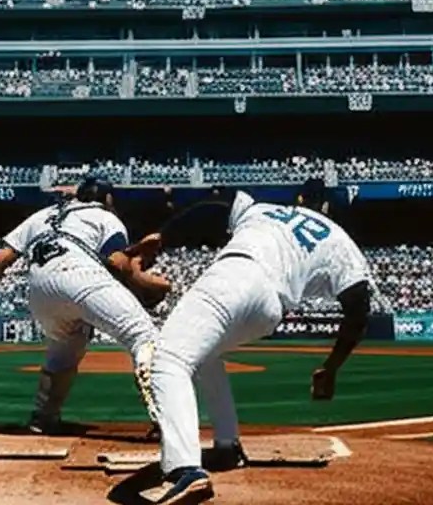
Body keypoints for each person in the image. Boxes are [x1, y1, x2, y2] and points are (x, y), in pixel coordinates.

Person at [144, 178, 373, 505]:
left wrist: (162, 234)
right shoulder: (340, 239)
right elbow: (358, 308)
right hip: (270, 309)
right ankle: (227, 446)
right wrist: (331, 367)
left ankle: (184, 470)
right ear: (328, 209)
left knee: (168, 358)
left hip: (238, 275)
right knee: (203, 355)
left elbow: (215, 203)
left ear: (299, 199)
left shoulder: (267, 209)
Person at [0, 176, 170, 434]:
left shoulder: (41, 215)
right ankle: (165, 417)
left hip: (39, 290)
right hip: (81, 276)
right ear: (107, 199)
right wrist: (141, 267)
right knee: (144, 336)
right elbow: (117, 263)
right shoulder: (106, 217)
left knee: (63, 352)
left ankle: (44, 417)